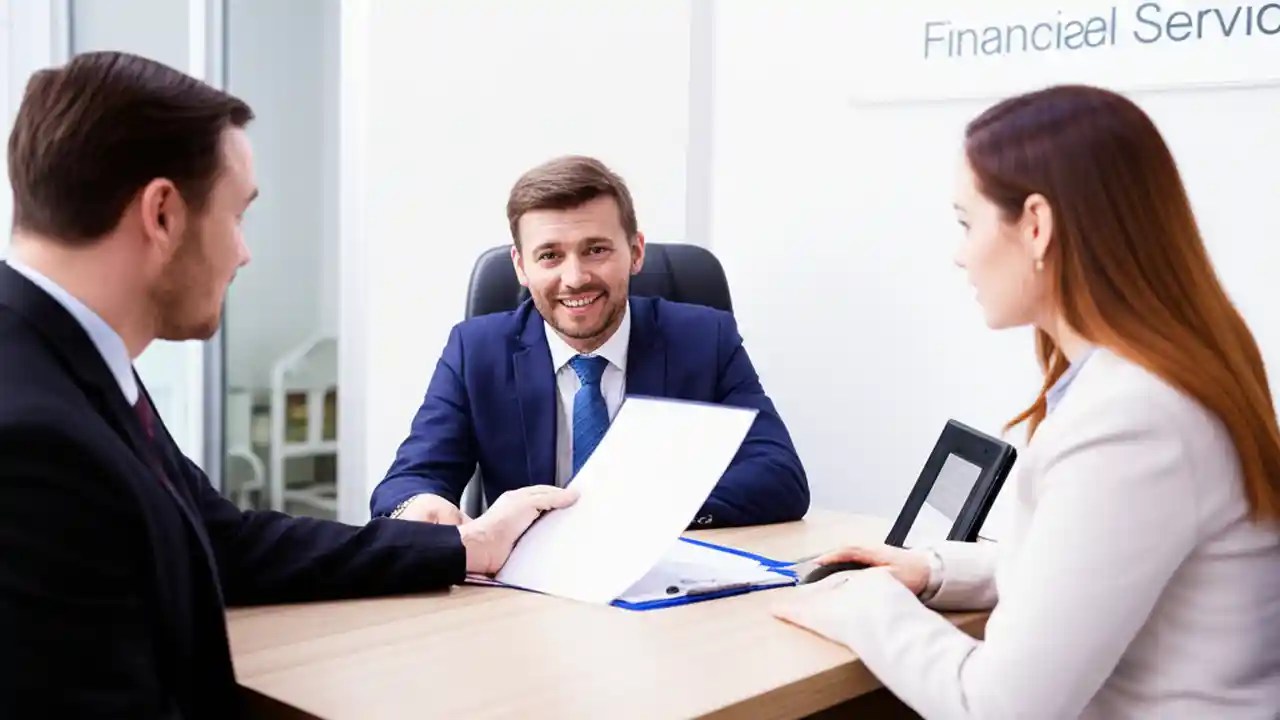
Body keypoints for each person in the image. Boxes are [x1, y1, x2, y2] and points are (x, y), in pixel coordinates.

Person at [0, 52, 576, 719]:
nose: (244, 252)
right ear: (161, 213)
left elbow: (225, 541)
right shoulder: (30, 440)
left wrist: (463, 546)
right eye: (237, 216)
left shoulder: (64, 361)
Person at [772, 85, 1280, 718]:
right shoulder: (1165, 377)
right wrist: (933, 570)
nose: (960, 254)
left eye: (966, 222)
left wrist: (862, 605)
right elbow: (1098, 568)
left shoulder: (1134, 420)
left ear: (1036, 226)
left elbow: (1000, 707)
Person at [370, 155, 808, 528]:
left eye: (596, 249)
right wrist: (420, 508)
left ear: (636, 252)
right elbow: (406, 485)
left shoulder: (704, 338)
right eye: (550, 255)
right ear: (522, 267)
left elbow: (780, 477)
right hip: (522, 595)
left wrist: (636, 514)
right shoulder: (475, 351)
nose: (575, 278)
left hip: (662, 582)